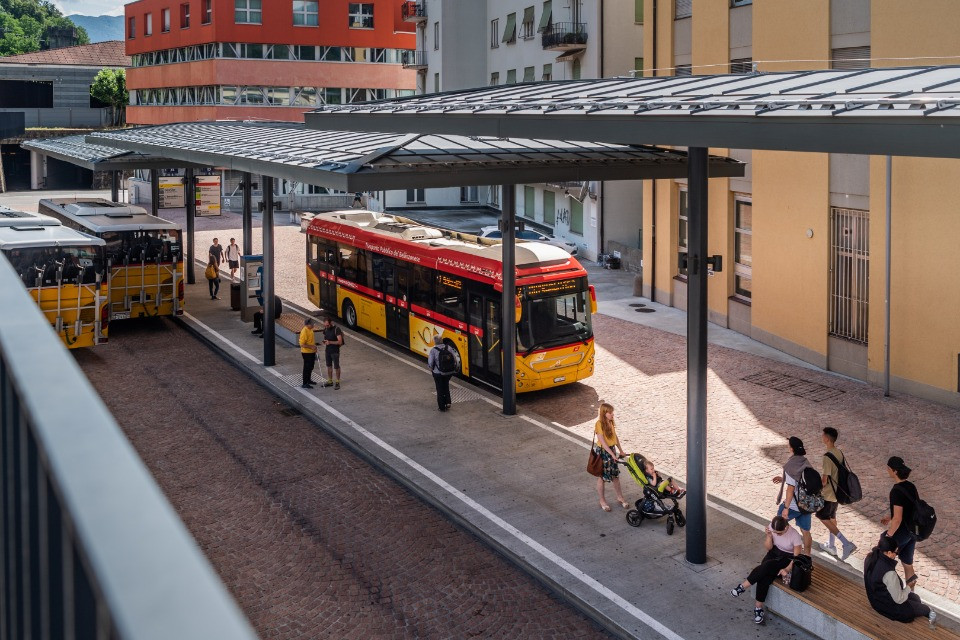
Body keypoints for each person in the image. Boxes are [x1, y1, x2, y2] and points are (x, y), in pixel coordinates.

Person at [731, 515, 803, 625]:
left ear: (786, 528)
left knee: (767, 567)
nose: (777, 534)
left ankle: (743, 587)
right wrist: (769, 536)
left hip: (787, 559)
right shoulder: (771, 528)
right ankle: (758, 608)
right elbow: (768, 548)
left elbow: (796, 558)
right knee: (765, 573)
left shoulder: (795, 536)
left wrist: (787, 569)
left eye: (779, 533)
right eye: (775, 532)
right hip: (773, 553)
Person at [863, 534, 937, 628]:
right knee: (926, 609)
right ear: (889, 553)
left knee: (915, 598)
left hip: (875, 599)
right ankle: (932, 627)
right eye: (896, 552)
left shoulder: (870, 557)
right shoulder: (888, 572)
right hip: (888, 607)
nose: (896, 555)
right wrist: (909, 586)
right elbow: (899, 599)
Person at [817, 427, 857, 560]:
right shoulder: (838, 452)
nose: (821, 436)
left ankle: (846, 543)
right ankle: (831, 546)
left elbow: (824, 480)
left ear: (827, 439)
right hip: (837, 493)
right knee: (832, 518)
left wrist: (815, 488)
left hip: (828, 493)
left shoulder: (827, 457)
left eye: (823, 435)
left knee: (822, 516)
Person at [881, 456, 920, 589]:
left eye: (889, 468)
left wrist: (888, 536)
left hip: (901, 534)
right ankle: (911, 595)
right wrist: (890, 517)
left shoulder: (896, 491)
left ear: (895, 471)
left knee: (884, 560)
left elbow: (898, 519)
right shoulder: (911, 486)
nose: (887, 470)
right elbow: (909, 509)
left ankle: (887, 592)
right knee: (907, 564)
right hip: (911, 533)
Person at [772, 436, 813, 556]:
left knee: (777, 526)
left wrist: (786, 508)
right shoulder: (805, 462)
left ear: (791, 449)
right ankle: (807, 556)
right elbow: (799, 480)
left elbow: (791, 488)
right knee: (806, 532)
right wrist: (783, 478)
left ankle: (779, 552)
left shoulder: (791, 465)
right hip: (805, 504)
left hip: (793, 505)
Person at [593, 402, 629, 512]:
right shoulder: (599, 424)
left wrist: (620, 450)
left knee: (615, 475)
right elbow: (603, 442)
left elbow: (615, 437)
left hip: (611, 449)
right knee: (602, 477)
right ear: (604, 413)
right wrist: (613, 455)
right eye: (610, 413)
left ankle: (620, 497)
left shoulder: (611, 421)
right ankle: (602, 500)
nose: (612, 414)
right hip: (603, 452)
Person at [427, 335, 457, 411]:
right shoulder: (448, 347)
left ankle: (442, 407)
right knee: (446, 385)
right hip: (448, 372)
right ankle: (448, 402)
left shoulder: (433, 350)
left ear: (435, 342)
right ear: (442, 340)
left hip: (438, 373)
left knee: (439, 389)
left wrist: (431, 369)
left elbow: (430, 362)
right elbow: (455, 358)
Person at [320, 316, 344, 390]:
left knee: (336, 367)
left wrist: (329, 342)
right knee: (329, 366)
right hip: (328, 350)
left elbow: (340, 341)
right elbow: (325, 337)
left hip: (335, 351)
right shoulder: (326, 329)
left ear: (331, 323)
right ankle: (330, 381)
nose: (326, 326)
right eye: (325, 325)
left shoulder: (336, 329)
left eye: (327, 325)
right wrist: (324, 342)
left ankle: (337, 382)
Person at [298, 318, 317, 388]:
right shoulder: (304, 331)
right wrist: (311, 347)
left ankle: (308, 380)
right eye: (312, 324)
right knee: (307, 367)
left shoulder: (310, 329)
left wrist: (314, 347)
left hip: (311, 351)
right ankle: (305, 383)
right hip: (306, 353)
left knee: (311, 366)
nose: (313, 325)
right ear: (308, 324)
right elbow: (302, 344)